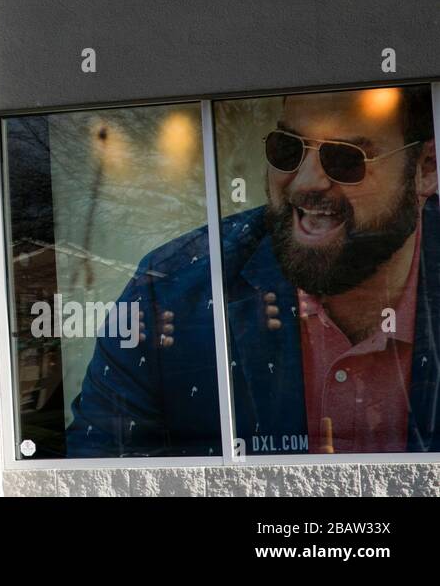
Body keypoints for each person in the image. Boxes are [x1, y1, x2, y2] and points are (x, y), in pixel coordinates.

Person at [66, 86, 440, 457]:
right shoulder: (172, 291)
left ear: (426, 169)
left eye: (345, 159)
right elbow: (95, 470)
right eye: (288, 149)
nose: (306, 181)